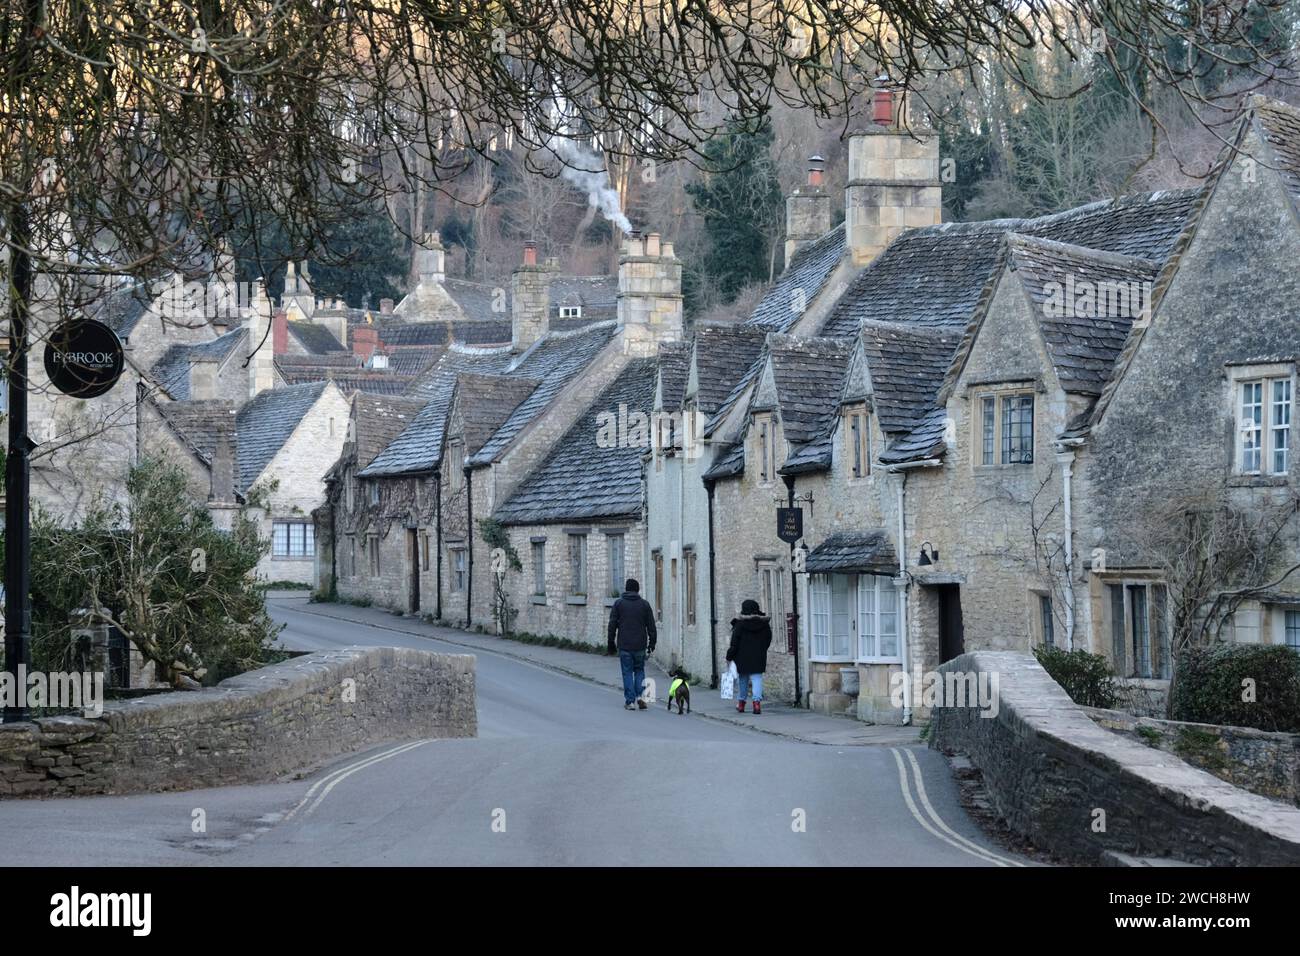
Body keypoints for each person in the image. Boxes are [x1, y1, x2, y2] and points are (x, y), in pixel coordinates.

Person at [607, 578, 657, 710]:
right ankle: (640, 696)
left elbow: (612, 625)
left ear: (626, 589)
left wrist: (610, 642)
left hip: (624, 644)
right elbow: (651, 626)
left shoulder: (619, 604)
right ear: (637, 590)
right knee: (639, 669)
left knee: (627, 672)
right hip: (640, 644)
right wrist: (652, 642)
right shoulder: (644, 605)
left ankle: (630, 701)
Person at [726, 599, 772, 714]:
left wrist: (729, 656)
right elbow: (768, 639)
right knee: (757, 679)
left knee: (743, 680)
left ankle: (741, 704)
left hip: (742, 657)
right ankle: (756, 704)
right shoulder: (764, 624)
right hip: (758, 656)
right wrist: (762, 650)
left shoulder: (740, 625)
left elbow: (734, 643)